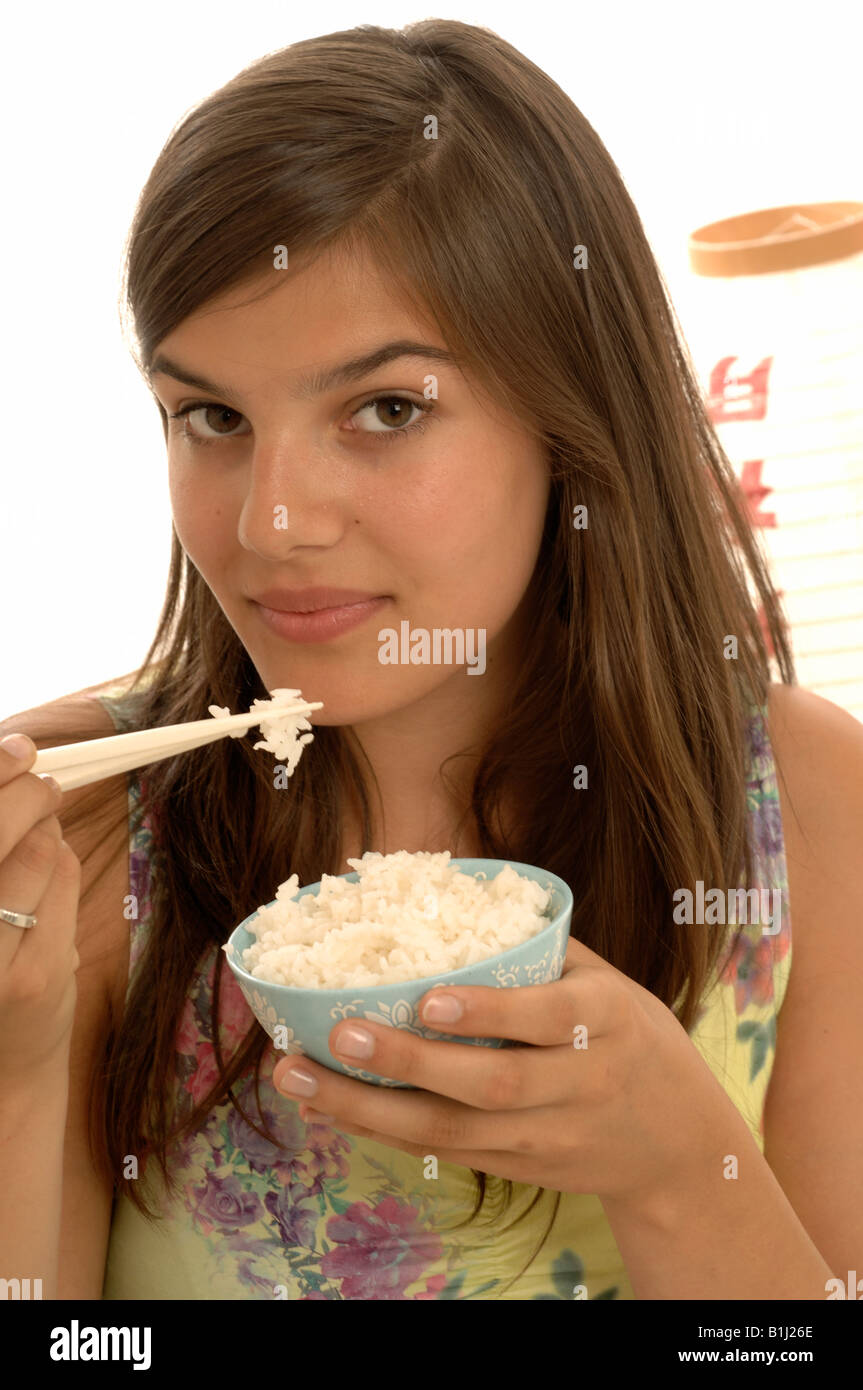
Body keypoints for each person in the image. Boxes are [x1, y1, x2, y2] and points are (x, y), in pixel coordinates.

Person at [1, 18, 861, 1302]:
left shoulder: (799, 799)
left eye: (386, 408)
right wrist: (15, 1065)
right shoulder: (70, 822)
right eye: (212, 417)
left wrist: (688, 1174)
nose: (271, 521)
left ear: (570, 414)